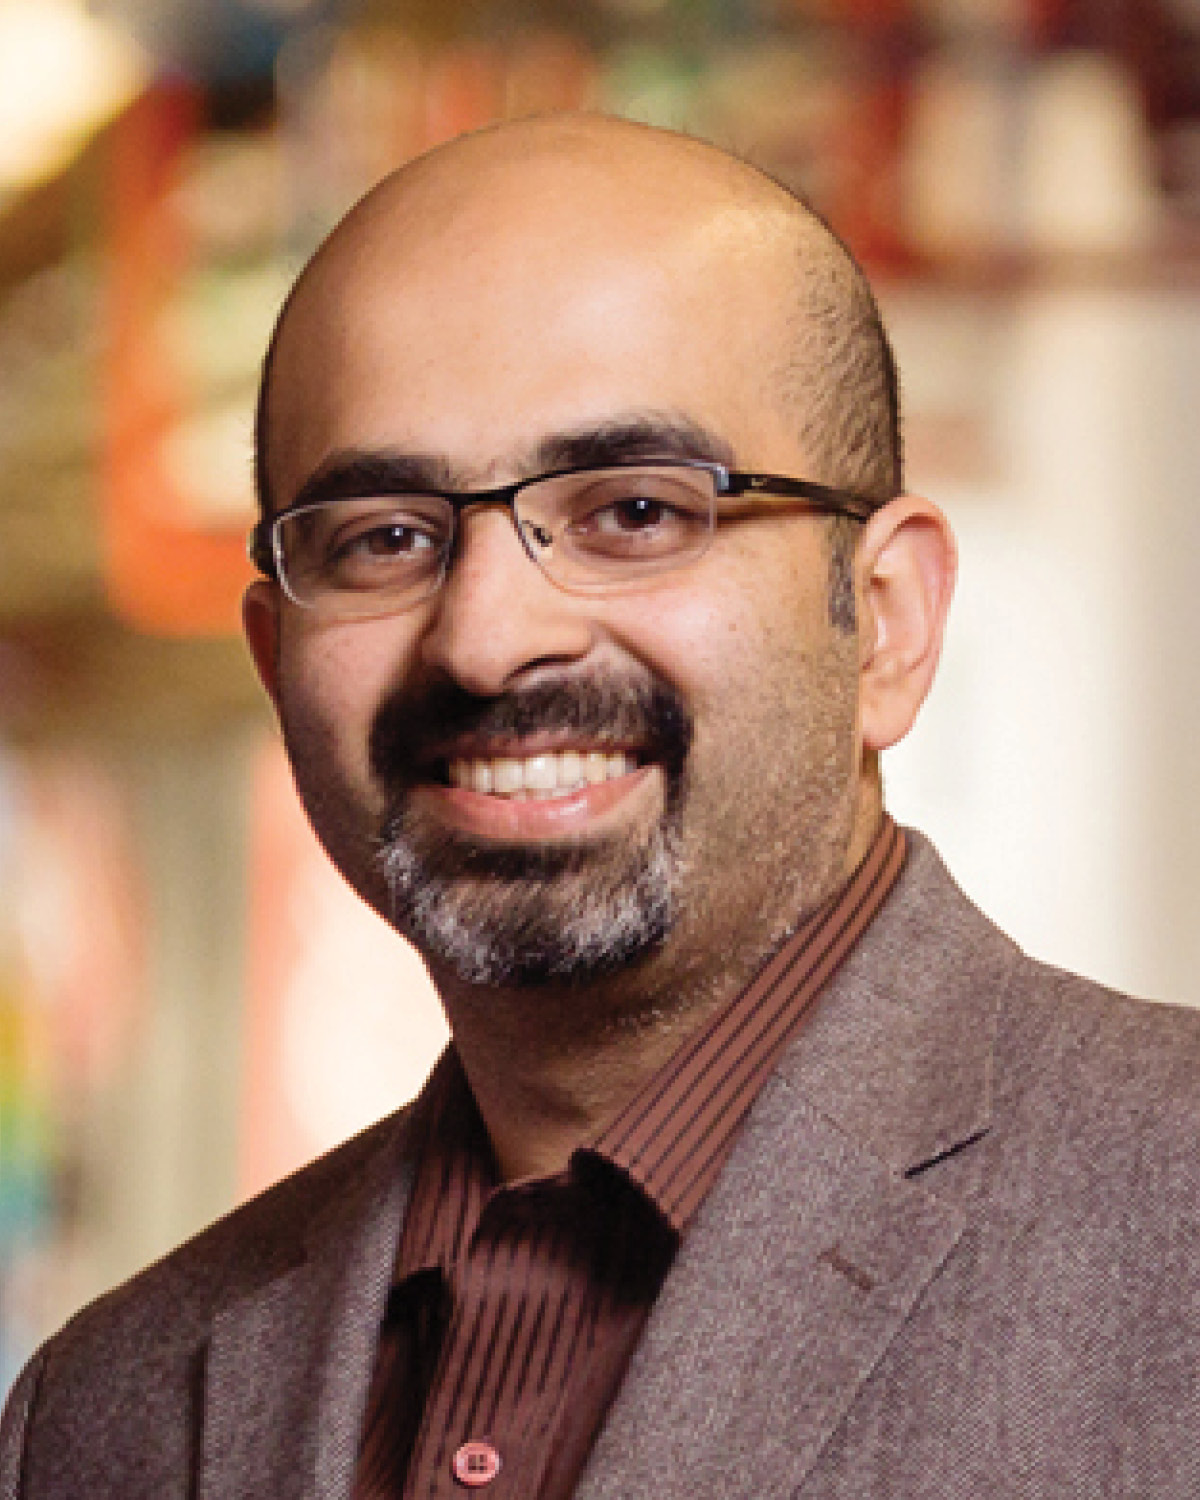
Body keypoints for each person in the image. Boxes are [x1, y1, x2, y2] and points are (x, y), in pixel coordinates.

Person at [3, 113, 1198, 1499]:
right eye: (385, 537)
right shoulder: (108, 1410)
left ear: (884, 619)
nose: (486, 639)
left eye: (634, 513)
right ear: (276, 662)